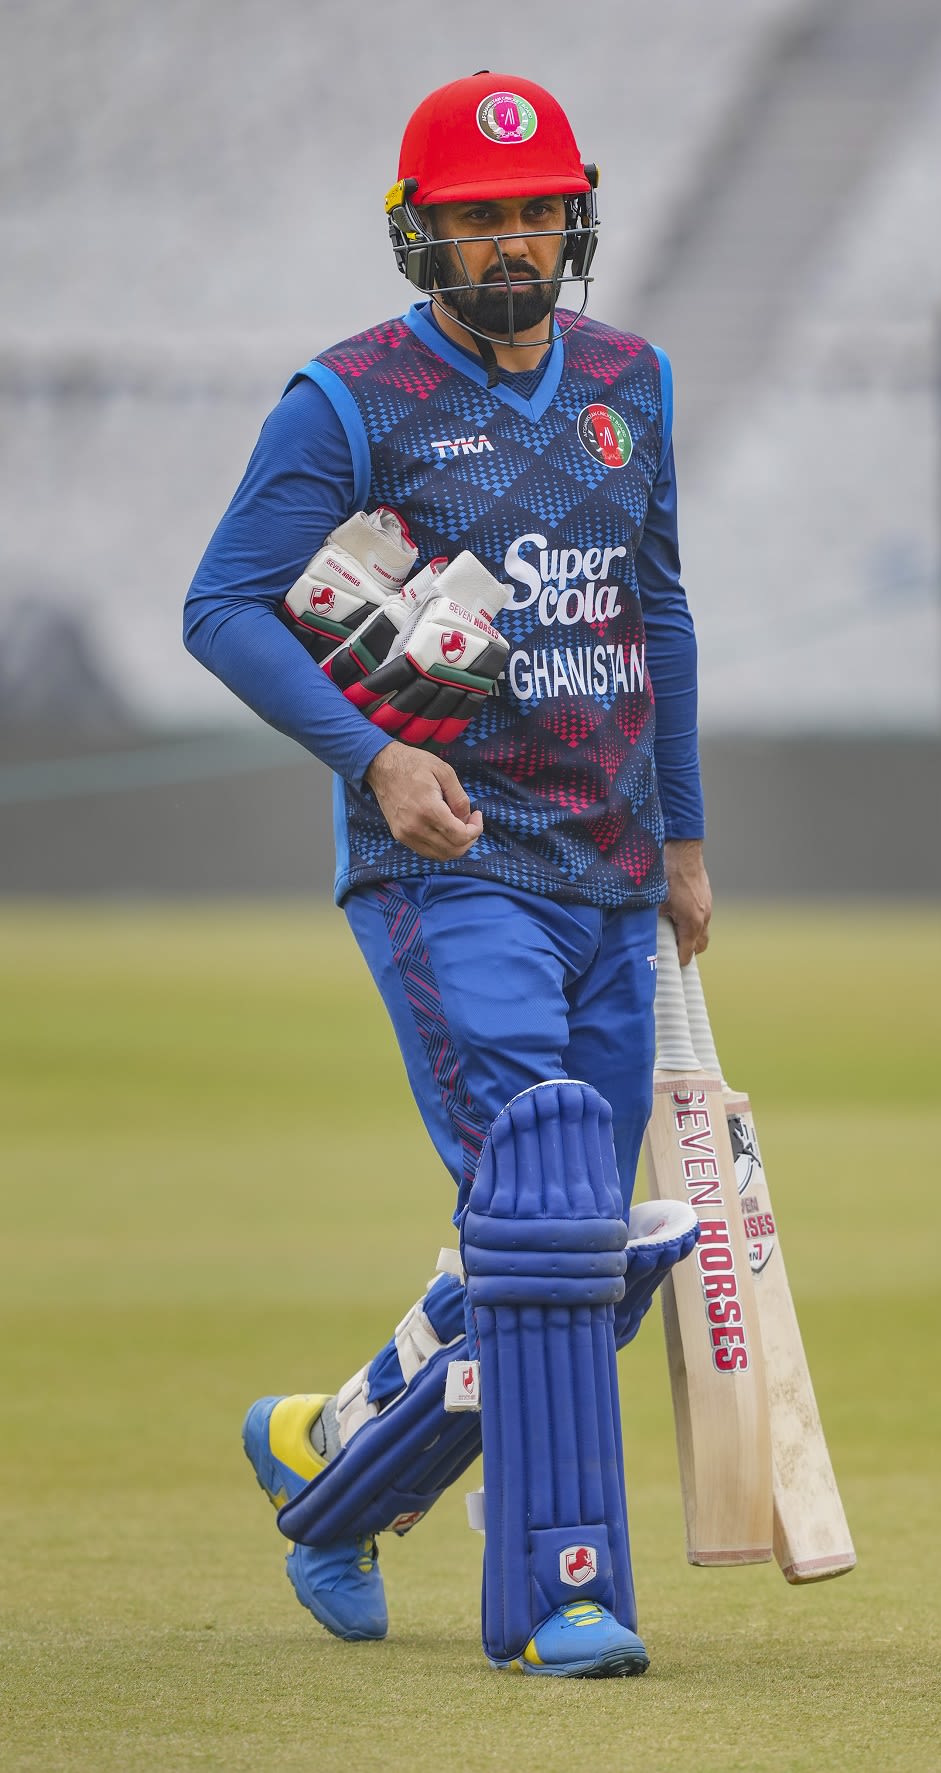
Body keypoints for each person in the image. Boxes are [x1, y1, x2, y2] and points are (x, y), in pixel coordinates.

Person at [184, 71, 710, 1679]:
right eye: (480, 218)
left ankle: (333, 1455)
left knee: (585, 1262)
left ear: (578, 218)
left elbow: (659, 611)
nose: (513, 242)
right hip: (455, 870)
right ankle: (560, 1588)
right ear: (420, 232)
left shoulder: (631, 380)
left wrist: (685, 837)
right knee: (551, 1208)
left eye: (538, 211)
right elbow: (224, 606)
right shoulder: (346, 399)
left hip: (614, 870)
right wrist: (376, 760)